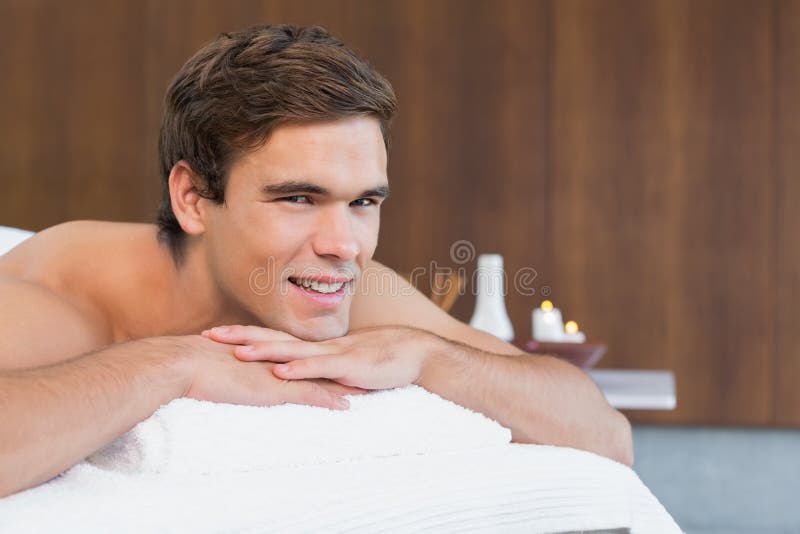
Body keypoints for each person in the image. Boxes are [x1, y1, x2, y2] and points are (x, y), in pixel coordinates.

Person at [0, 24, 632, 498]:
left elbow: (605, 435)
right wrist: (173, 362)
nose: (343, 245)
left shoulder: (357, 293)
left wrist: (429, 353)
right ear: (193, 198)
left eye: (363, 201)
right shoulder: (63, 297)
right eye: (298, 198)